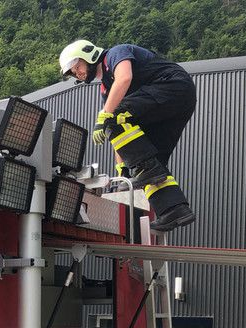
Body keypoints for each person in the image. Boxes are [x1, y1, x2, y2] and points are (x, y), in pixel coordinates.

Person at [59, 40, 197, 232]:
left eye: (77, 67)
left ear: (88, 55)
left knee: (113, 119)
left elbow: (124, 78)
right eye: (73, 72)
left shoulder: (116, 54)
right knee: (148, 161)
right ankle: (174, 209)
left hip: (173, 86)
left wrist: (103, 116)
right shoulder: (107, 89)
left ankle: (147, 169)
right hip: (173, 102)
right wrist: (123, 169)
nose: (77, 73)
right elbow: (119, 137)